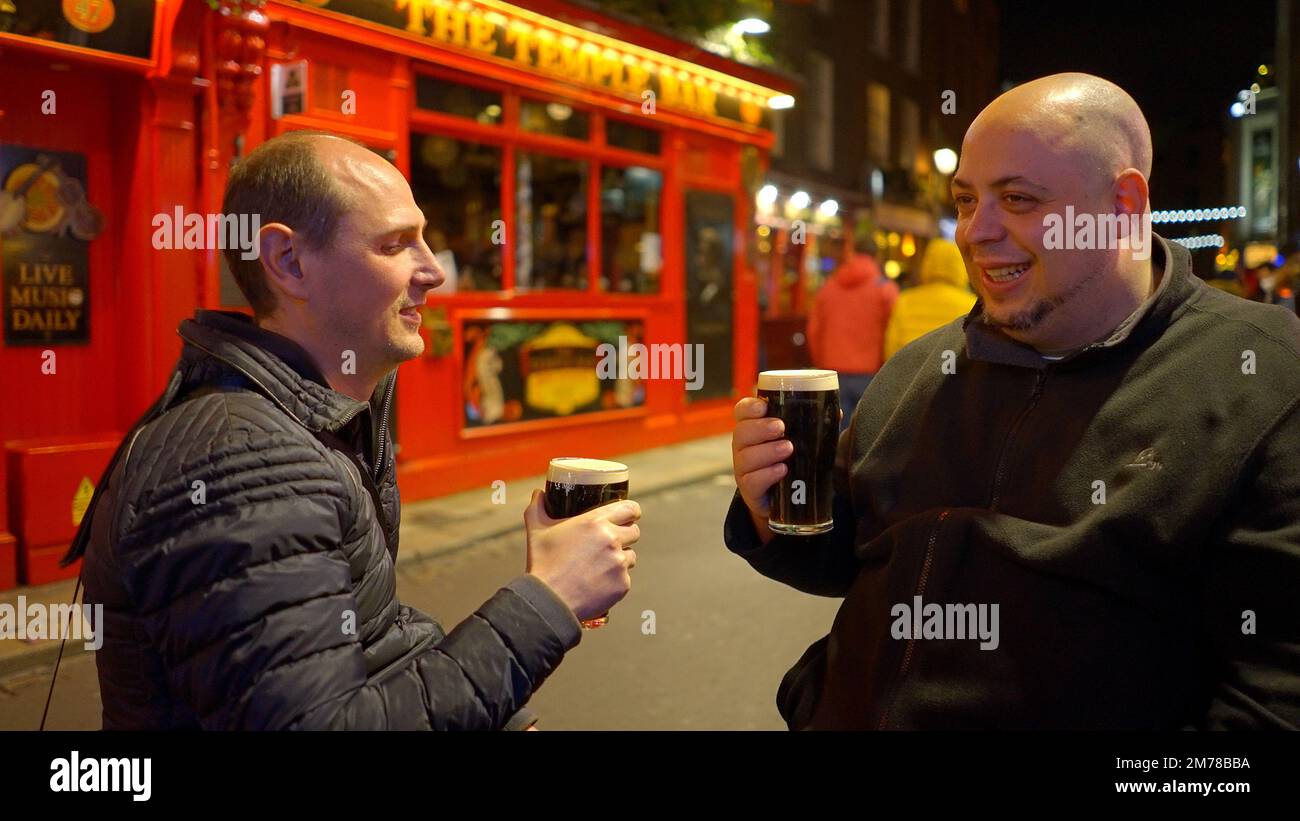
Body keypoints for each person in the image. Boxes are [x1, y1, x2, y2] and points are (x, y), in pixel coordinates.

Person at [726, 73, 1300, 729]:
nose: (975, 232)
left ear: (1124, 203)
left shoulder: (1264, 378)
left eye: (1019, 200)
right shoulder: (921, 365)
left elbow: (1273, 699)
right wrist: (773, 510)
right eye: (966, 200)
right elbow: (850, 559)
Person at [63, 131, 641, 730]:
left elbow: (367, 647)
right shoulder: (243, 461)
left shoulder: (314, 418)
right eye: (395, 245)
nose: (433, 271)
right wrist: (547, 599)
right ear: (288, 262)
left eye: (424, 240)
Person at [806, 234, 899, 429]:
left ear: (853, 253)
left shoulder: (828, 287)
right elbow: (893, 334)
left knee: (834, 434)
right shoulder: (885, 289)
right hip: (870, 375)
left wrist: (821, 362)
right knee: (864, 437)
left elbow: (814, 330)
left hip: (832, 372)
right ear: (876, 257)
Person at [883, 238, 976, 360]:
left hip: (911, 373)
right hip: (951, 373)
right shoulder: (972, 305)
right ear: (961, 266)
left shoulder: (905, 300)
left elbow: (890, 348)